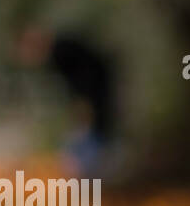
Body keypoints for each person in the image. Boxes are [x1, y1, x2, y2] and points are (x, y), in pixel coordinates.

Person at [14, 25, 116, 176]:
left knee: (89, 139)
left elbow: (84, 78)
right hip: (94, 97)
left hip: (95, 98)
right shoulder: (61, 49)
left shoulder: (61, 52)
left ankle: (88, 175)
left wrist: (84, 104)